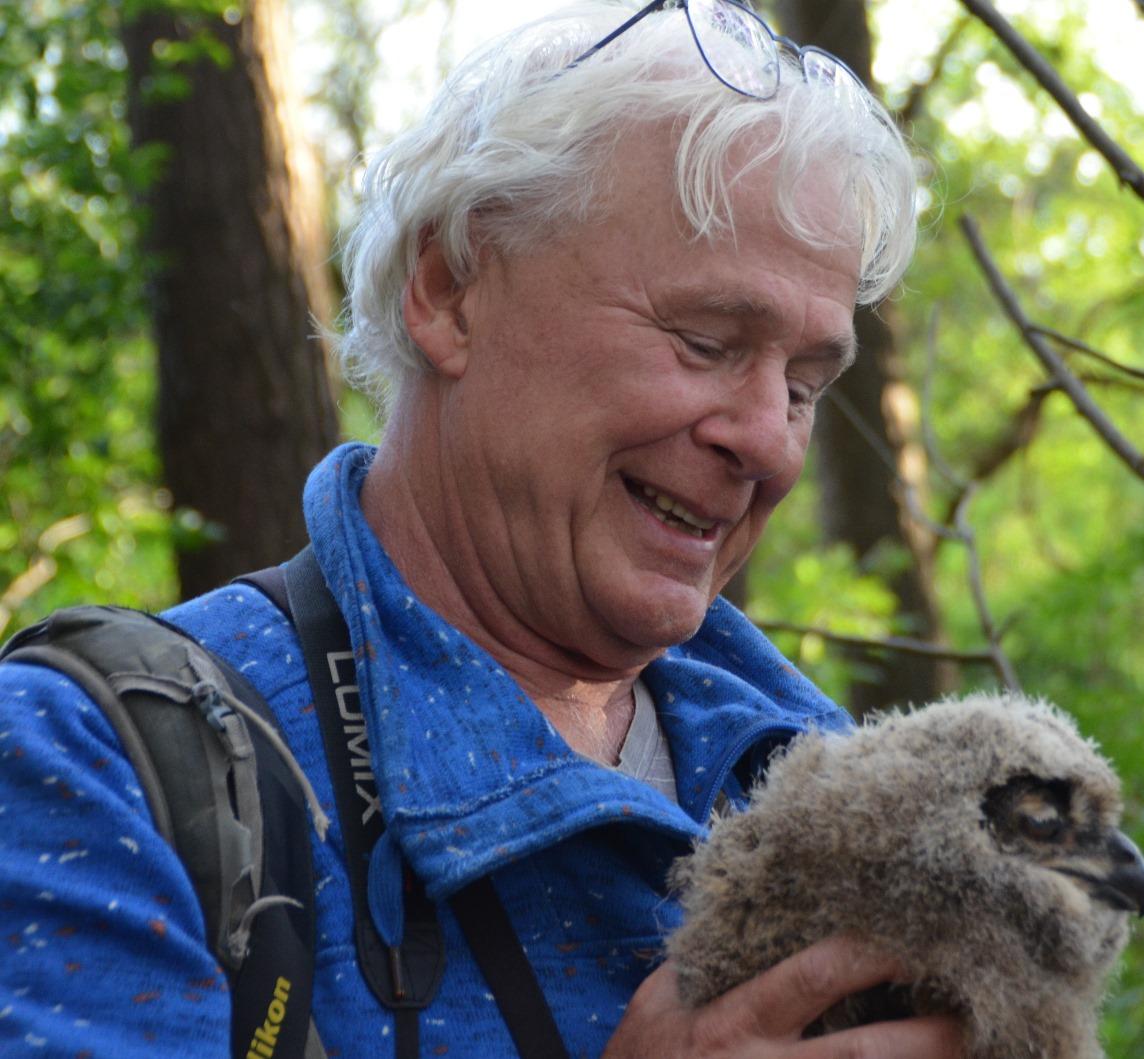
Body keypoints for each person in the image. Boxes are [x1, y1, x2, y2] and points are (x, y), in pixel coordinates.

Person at [0, 1, 966, 1056]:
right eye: (703, 341)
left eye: (803, 385)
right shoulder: (94, 767)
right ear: (449, 290)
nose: (769, 444)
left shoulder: (880, 814)